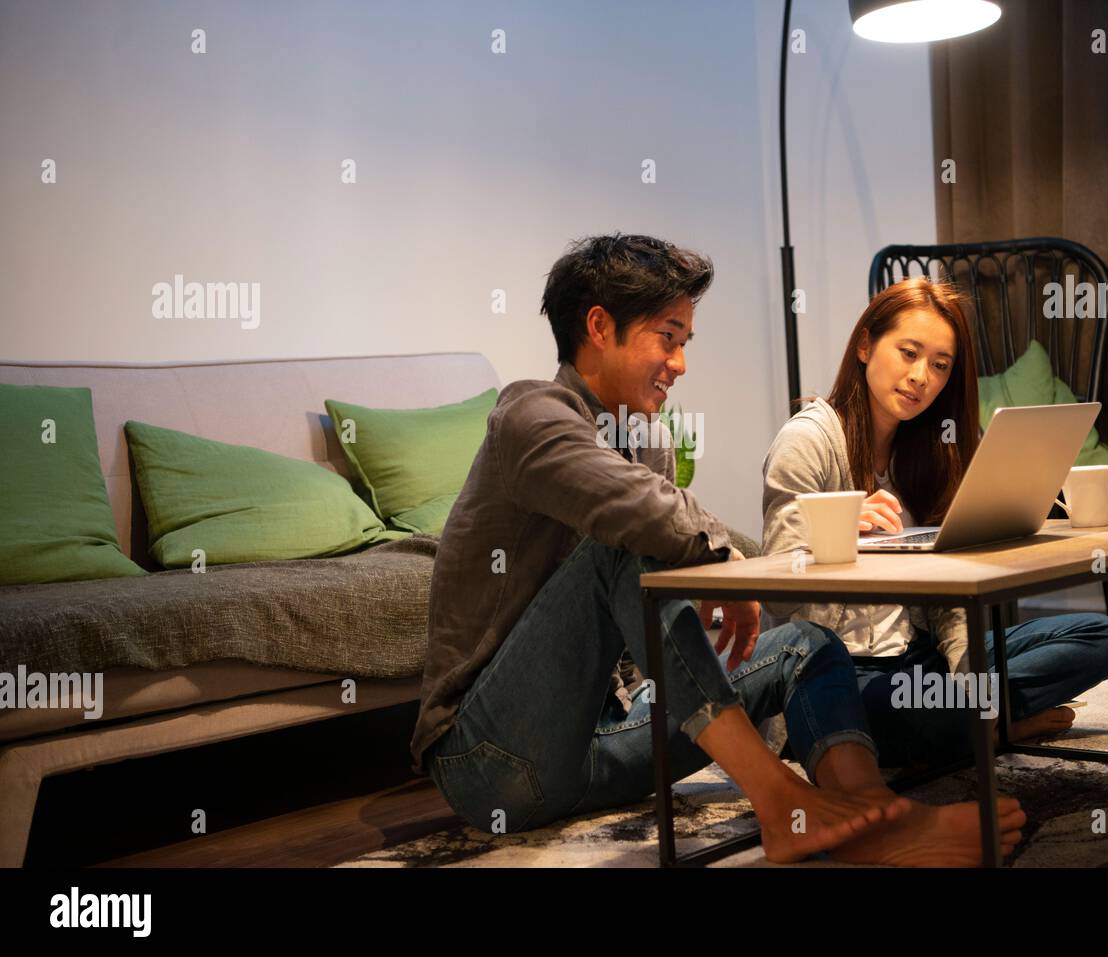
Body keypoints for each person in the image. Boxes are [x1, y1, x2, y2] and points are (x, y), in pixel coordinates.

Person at [410, 236, 1025, 865]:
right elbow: (633, 511)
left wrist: (710, 570)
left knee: (807, 648)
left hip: (602, 740)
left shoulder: (645, 438)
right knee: (620, 549)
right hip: (488, 762)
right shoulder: (529, 414)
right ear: (599, 327)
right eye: (668, 338)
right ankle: (784, 802)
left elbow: (662, 534)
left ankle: (876, 817)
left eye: (685, 344)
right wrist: (725, 560)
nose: (680, 363)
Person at [762, 276, 1108, 775]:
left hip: (920, 653)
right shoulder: (807, 440)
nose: (921, 377)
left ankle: (976, 722)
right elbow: (777, 586)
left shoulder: (931, 449)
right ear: (865, 345)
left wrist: (968, 674)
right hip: (839, 672)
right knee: (929, 715)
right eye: (908, 353)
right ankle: (990, 726)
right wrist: (839, 530)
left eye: (939, 365)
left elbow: (948, 599)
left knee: (1099, 637)